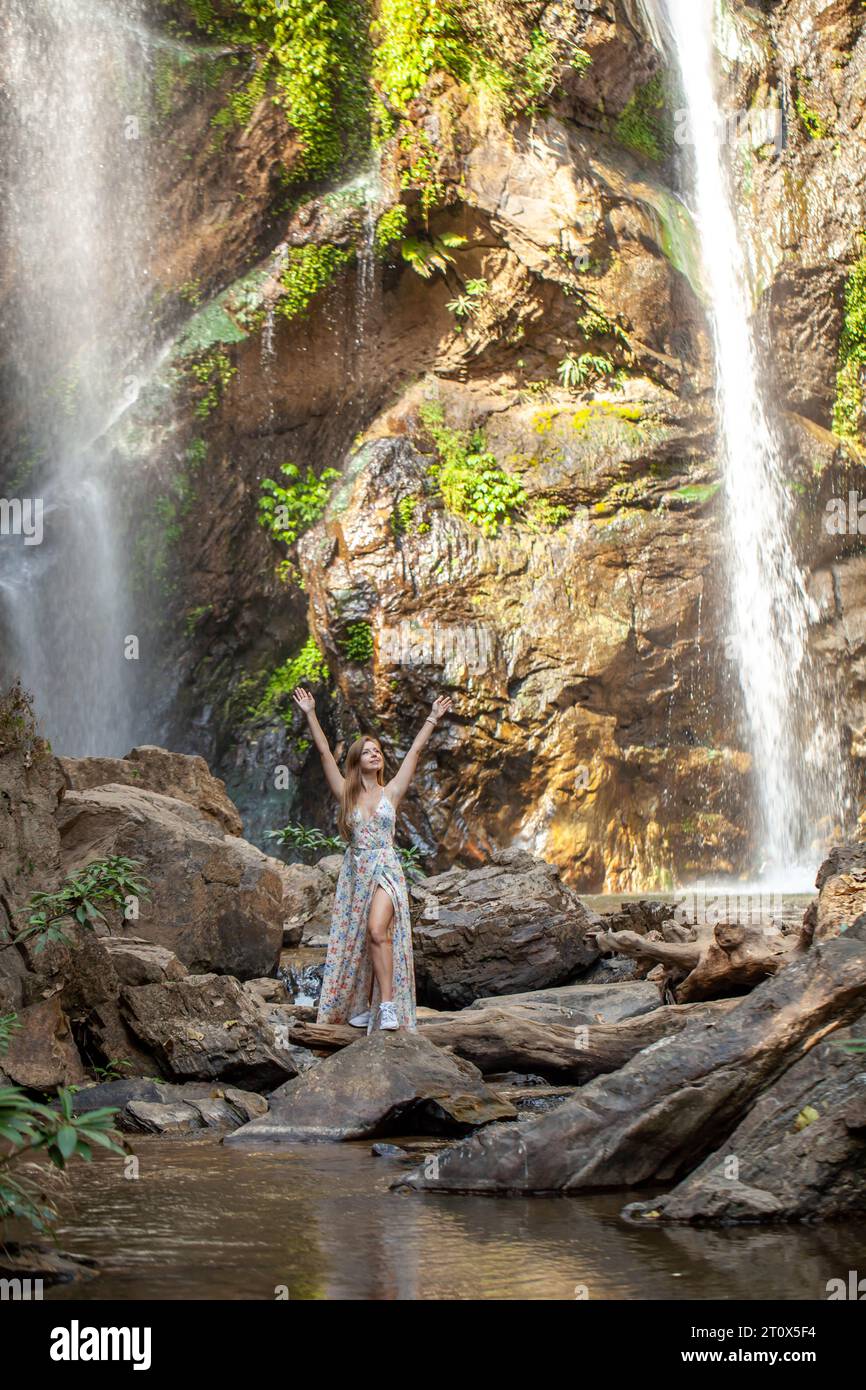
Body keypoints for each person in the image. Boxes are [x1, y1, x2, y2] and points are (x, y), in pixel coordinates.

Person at [291, 688, 452, 1034]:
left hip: (386, 869)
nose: (375, 754)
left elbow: (415, 752)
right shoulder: (345, 793)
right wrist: (310, 713)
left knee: (378, 930)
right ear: (356, 761)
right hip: (356, 872)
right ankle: (363, 1007)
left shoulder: (390, 792)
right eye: (367, 752)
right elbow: (322, 752)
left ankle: (389, 1007)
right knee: (358, 939)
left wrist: (433, 718)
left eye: (377, 750)